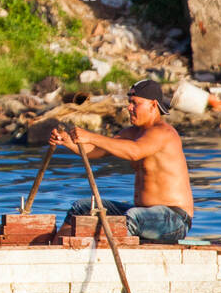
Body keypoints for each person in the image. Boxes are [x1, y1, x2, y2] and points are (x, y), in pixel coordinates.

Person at [49, 79, 195, 243]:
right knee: (81, 208)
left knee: (132, 218)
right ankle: (57, 250)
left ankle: (102, 254)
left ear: (153, 106)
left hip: (173, 220)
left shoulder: (163, 133)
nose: (129, 108)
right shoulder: (132, 133)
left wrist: (90, 136)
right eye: (129, 103)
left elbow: (135, 152)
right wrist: (67, 141)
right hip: (142, 214)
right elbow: (96, 151)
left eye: (135, 103)